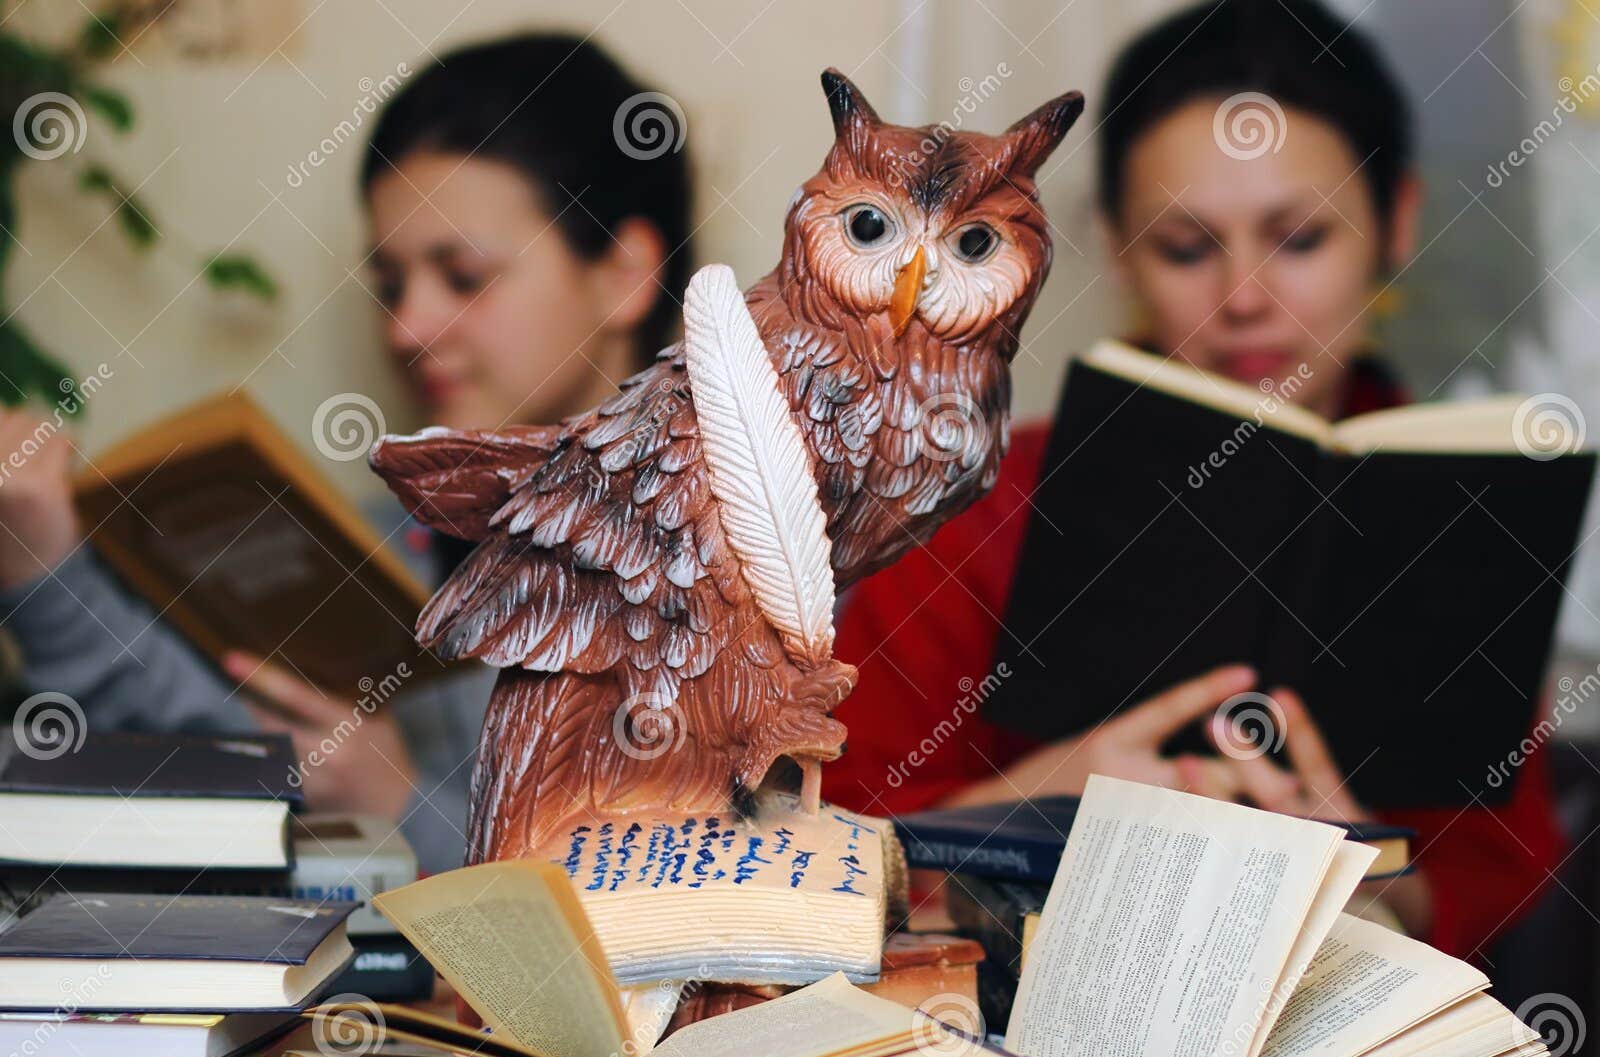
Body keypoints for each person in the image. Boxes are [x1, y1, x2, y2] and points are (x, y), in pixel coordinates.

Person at [826, 0, 1564, 965]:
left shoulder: (1457, 504)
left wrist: (1377, 883)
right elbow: (815, 850)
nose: (1245, 298)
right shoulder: (974, 505)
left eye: (1301, 239)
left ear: (1396, 223)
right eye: (1186, 248)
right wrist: (1030, 808)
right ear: (1117, 245)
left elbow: (1502, 865)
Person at [0, 33, 692, 873]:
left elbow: (682, 902)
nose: (407, 328)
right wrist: (42, 567)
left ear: (624, 274)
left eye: (464, 276)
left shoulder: (737, 575)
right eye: (390, 285)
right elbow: (202, 737)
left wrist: (400, 805)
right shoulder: (384, 544)